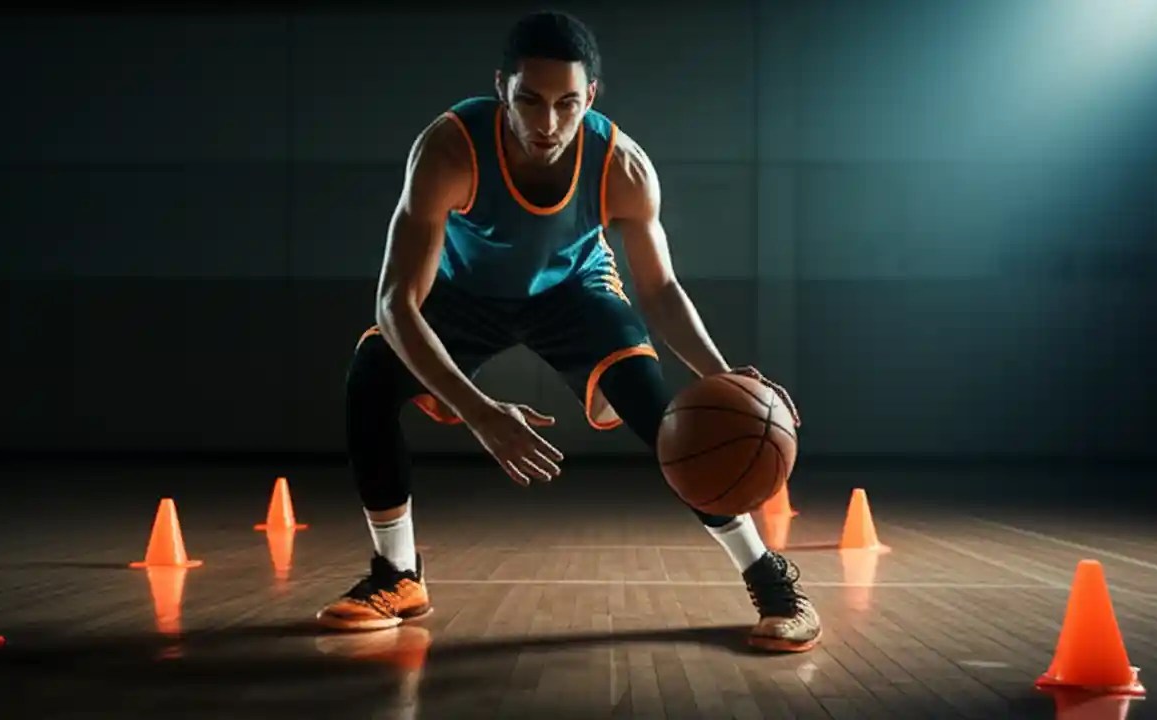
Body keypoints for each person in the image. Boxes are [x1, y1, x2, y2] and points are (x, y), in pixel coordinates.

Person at [317, 10, 822, 653]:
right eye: (528, 99)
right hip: (463, 293)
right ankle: (397, 574)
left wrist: (718, 375)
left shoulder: (623, 166)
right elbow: (395, 302)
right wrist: (480, 412)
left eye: (566, 103)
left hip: (573, 292)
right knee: (370, 377)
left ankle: (771, 579)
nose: (546, 123)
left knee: (665, 410)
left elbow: (661, 291)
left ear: (591, 97)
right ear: (502, 87)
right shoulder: (449, 149)